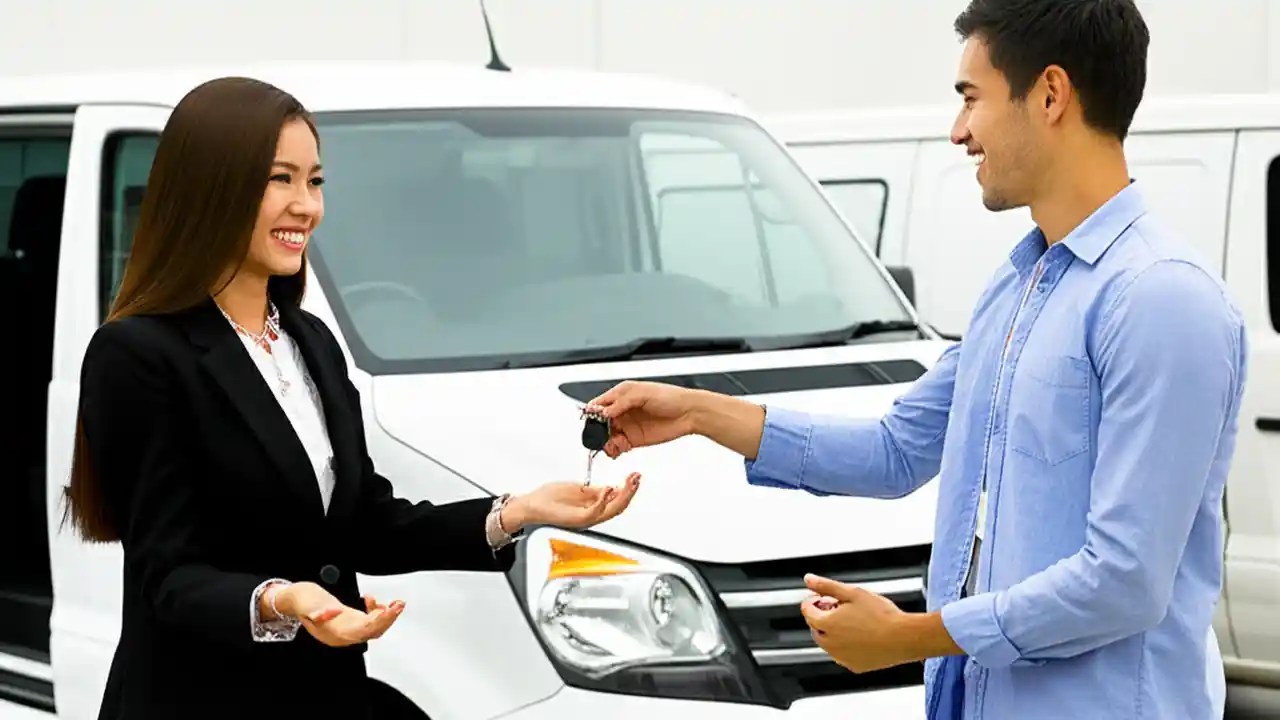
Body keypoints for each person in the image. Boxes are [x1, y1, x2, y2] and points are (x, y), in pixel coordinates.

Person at [584, 1, 1245, 718]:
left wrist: (911, 638)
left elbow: (1123, 581)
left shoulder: (1162, 302)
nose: (959, 131)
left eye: (972, 99)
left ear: (1050, 94)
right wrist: (699, 412)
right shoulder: (1017, 288)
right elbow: (896, 449)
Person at [64, 76, 641, 719]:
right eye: (279, 178)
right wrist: (286, 601)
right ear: (211, 187)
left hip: (323, 696)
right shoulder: (137, 354)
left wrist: (518, 511)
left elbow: (365, 521)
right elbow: (168, 577)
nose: (305, 206)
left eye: (314, 181)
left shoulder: (310, 341)